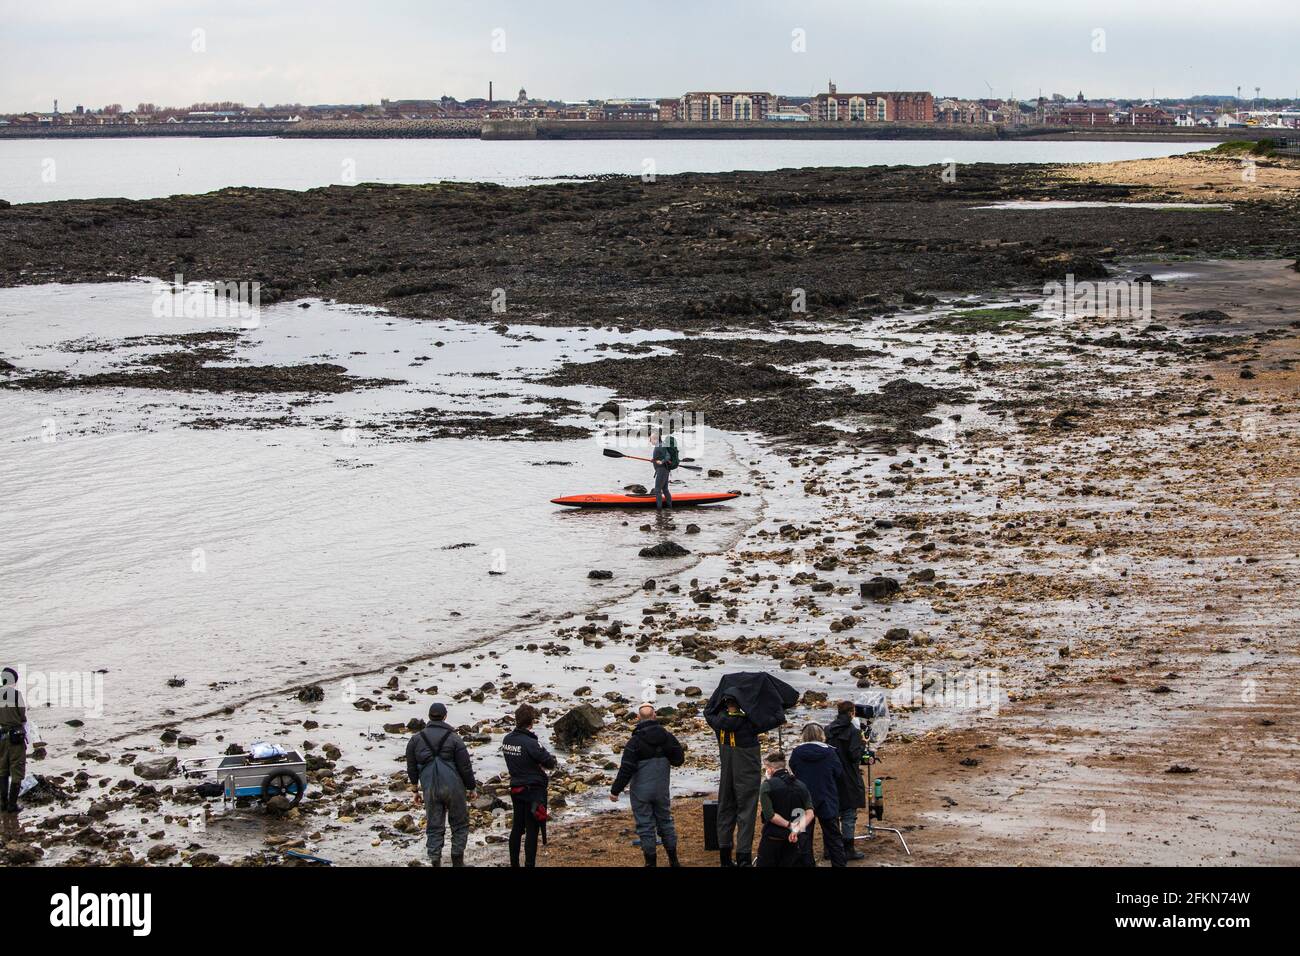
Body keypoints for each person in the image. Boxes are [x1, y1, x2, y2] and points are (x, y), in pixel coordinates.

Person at [609, 702, 686, 867]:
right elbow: (679, 759)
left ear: (637, 718)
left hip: (641, 791)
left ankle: (651, 863)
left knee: (645, 826)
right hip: (661, 789)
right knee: (666, 822)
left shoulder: (634, 742)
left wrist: (615, 791)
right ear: (654, 716)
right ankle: (674, 860)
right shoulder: (667, 737)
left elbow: (626, 770)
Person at [405, 702, 476, 867]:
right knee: (459, 824)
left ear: (429, 717)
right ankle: (458, 861)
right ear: (445, 717)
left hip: (430, 788)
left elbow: (411, 768)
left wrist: (415, 790)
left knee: (434, 826)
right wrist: (471, 787)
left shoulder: (416, 740)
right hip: (454, 788)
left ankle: (435, 862)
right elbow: (465, 766)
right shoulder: (454, 738)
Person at [705, 694, 762, 866]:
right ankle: (743, 859)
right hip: (747, 772)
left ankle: (725, 858)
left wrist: (720, 698)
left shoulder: (717, 722)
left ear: (725, 705)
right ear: (741, 705)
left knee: (725, 810)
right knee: (746, 812)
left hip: (727, 771)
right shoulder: (750, 724)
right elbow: (772, 718)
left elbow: (708, 711)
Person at [502, 703, 557, 867]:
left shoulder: (507, 740)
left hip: (516, 787)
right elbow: (550, 761)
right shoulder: (531, 742)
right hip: (533, 790)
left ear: (517, 720)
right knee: (532, 829)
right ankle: (529, 864)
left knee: (517, 828)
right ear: (531, 722)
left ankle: (514, 864)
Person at [789, 722, 847, 867]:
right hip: (827, 796)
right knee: (833, 837)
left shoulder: (796, 752)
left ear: (804, 736)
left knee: (802, 838)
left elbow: (793, 769)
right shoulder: (830, 752)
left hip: (802, 799)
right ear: (822, 735)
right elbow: (839, 773)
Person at [825, 700, 868, 860]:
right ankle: (848, 849)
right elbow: (854, 756)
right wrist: (863, 745)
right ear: (851, 713)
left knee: (832, 814)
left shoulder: (828, 729)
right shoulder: (853, 731)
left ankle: (830, 849)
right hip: (848, 776)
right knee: (849, 813)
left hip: (831, 776)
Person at [755, 751, 814, 868]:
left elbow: (769, 815)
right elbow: (810, 813)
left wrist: (789, 825)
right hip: (795, 839)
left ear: (771, 769)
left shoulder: (767, 785)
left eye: (766, 768)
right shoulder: (801, 785)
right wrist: (797, 828)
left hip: (773, 838)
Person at [0, 667, 26, 817]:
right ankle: (12, 805)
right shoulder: (16, 695)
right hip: (15, 737)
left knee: (2, 770)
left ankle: (2, 803)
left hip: (0, 736)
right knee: (17, 770)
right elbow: (22, 716)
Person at [650, 432, 679, 511]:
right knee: (665, 489)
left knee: (657, 490)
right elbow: (661, 456)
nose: (650, 441)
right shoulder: (659, 445)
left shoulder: (660, 445)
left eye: (651, 439)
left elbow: (667, 456)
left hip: (662, 470)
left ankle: (659, 510)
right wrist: (654, 460)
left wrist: (661, 462)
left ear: (656, 439)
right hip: (664, 470)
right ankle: (669, 508)